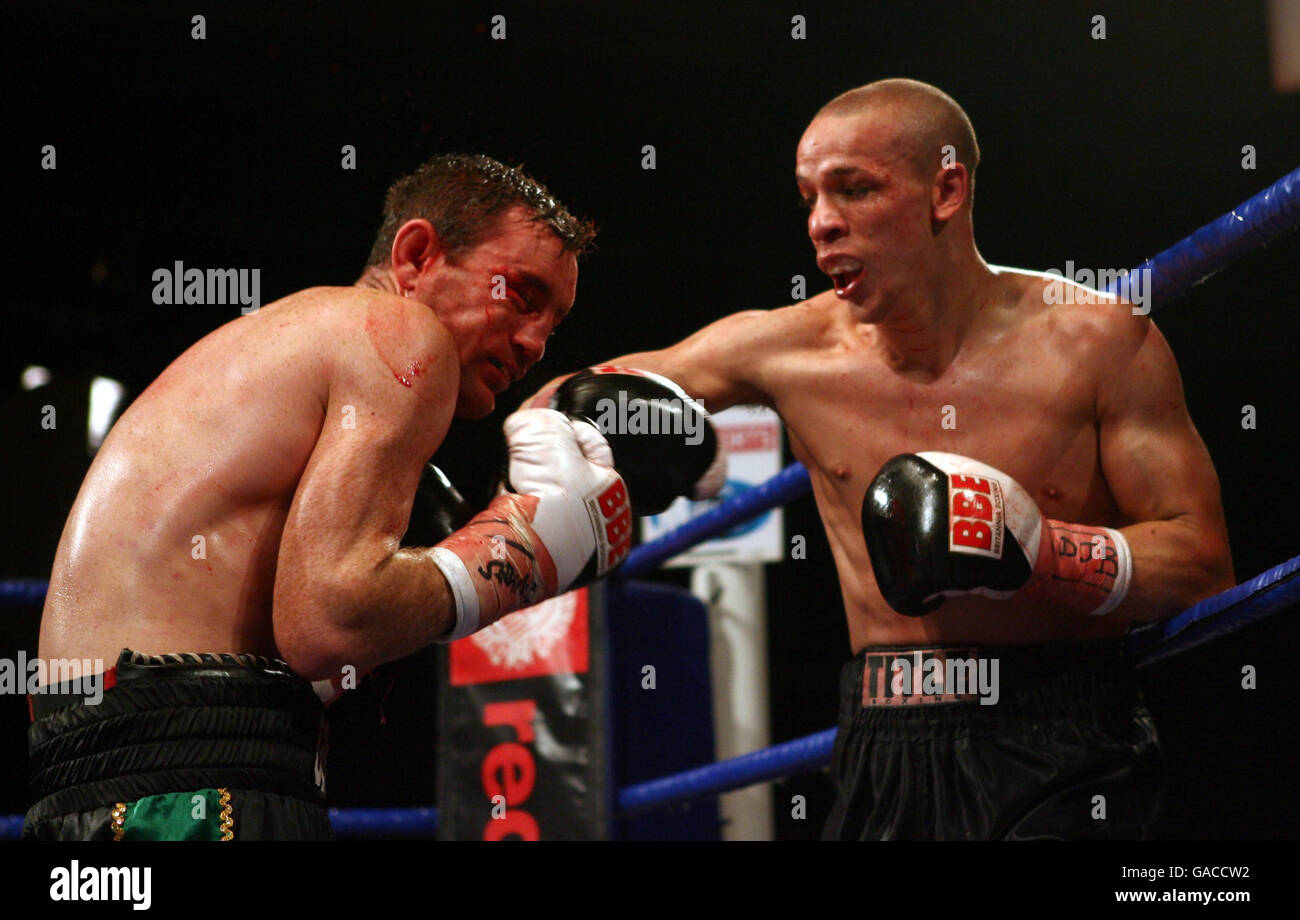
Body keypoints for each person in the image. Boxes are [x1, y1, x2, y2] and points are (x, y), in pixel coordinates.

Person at [535, 80, 1235, 839]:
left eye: (855, 190)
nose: (822, 224)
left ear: (946, 188)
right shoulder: (784, 351)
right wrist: (571, 437)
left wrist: (1042, 553)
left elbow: (1202, 564)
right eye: (808, 198)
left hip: (1064, 740)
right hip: (881, 742)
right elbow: (562, 401)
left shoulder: (1096, 340)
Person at [26, 154, 644, 840]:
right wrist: (525, 548)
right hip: (195, 795)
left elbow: (293, 647)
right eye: (521, 295)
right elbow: (329, 624)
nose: (533, 342)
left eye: (553, 325)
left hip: (85, 795)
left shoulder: (278, 343)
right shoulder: (402, 336)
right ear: (416, 255)